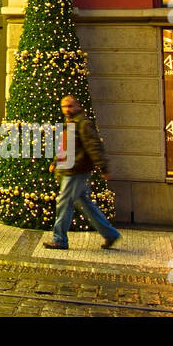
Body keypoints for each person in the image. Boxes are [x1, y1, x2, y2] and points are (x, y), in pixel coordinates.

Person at [44, 95, 120, 250]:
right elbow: (64, 147)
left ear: (77, 106)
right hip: (70, 170)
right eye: (64, 106)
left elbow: (94, 146)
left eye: (70, 106)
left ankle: (59, 239)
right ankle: (111, 234)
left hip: (75, 171)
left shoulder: (83, 124)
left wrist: (103, 168)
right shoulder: (70, 123)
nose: (67, 109)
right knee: (86, 205)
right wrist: (55, 162)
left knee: (64, 204)